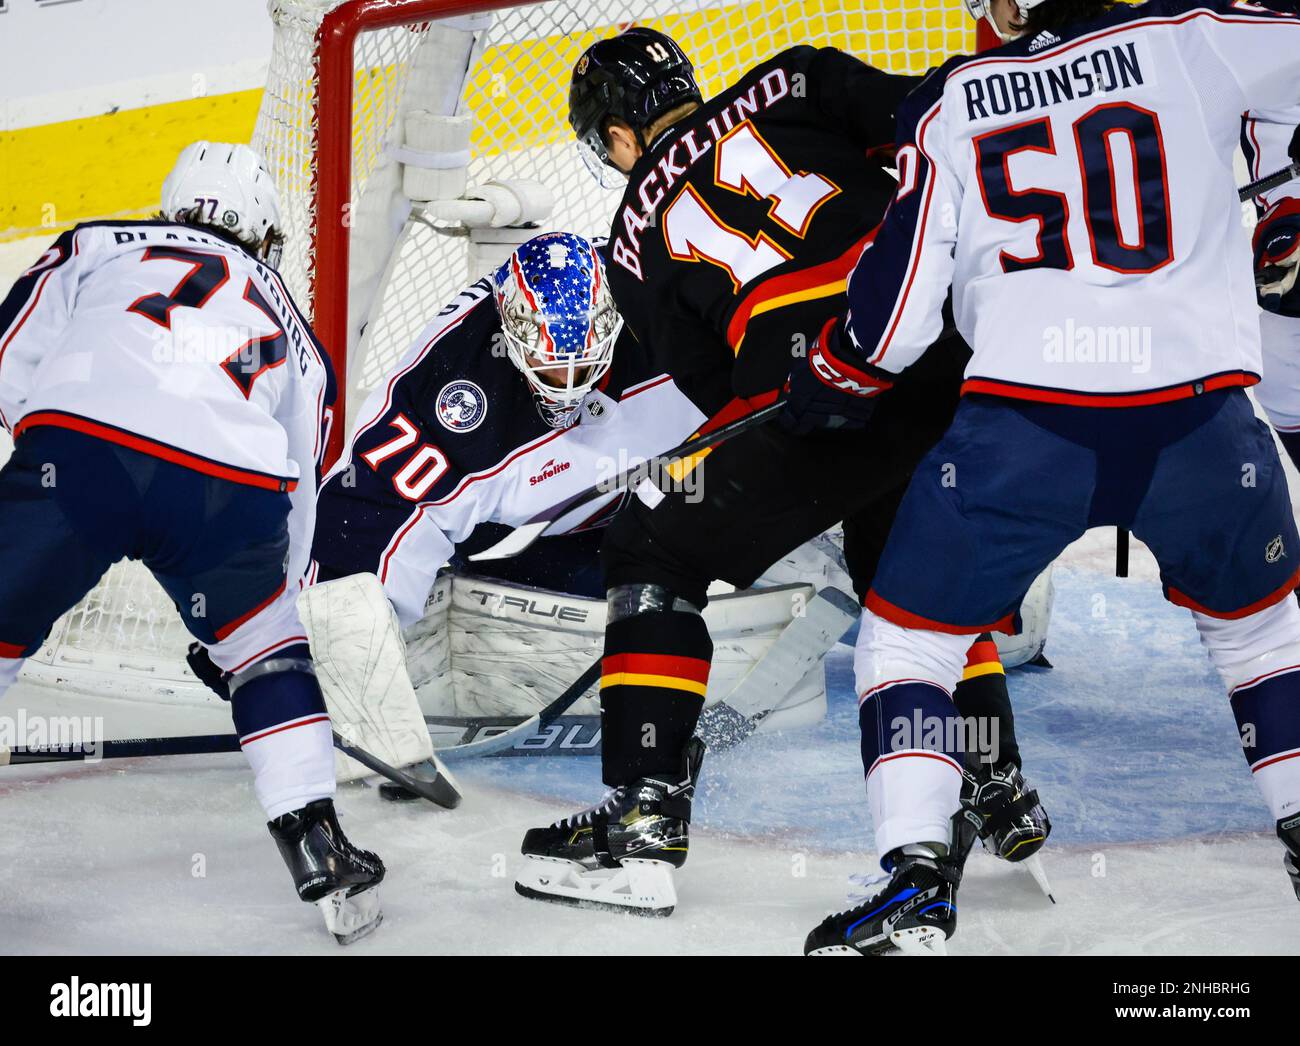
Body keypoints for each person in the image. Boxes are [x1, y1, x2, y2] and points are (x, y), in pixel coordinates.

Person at [512, 27, 1051, 917]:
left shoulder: (633, 234)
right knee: (910, 586)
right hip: (953, 354)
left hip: (829, 388)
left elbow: (721, 391)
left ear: (616, 136)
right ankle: (995, 785)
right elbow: (936, 119)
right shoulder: (794, 77)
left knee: (652, 547)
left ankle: (645, 811)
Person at [800, 0, 1300, 955]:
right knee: (1262, 634)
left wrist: (837, 367)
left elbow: (899, 320)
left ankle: (912, 887)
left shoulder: (951, 99)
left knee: (910, 644)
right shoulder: (1192, 37)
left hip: (1025, 429)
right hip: (1199, 420)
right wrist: (1282, 199)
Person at [0, 141, 383, 944]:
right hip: (225, 491)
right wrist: (272, 607)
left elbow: (9, 351)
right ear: (266, 234)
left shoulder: (99, 240)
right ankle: (315, 837)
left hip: (79, 459)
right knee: (270, 654)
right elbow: (302, 480)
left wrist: (40, 444)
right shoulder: (289, 318)